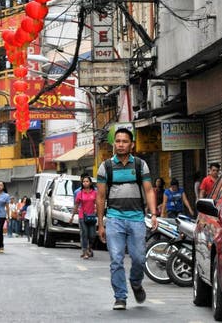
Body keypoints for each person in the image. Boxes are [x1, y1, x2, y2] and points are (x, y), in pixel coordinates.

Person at [96, 127, 158, 311]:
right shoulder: (105, 166)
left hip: (137, 219)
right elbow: (100, 197)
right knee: (116, 259)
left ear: (131, 144)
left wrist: (153, 214)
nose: (120, 145)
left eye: (124, 141)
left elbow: (148, 190)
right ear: (114, 144)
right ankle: (120, 297)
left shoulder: (140, 165)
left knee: (139, 258)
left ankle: (136, 283)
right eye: (118, 141)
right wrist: (101, 224)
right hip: (114, 218)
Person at [69, 174, 97, 259]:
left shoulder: (95, 192)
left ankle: (89, 248)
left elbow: (98, 203)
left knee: (92, 235)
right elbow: (76, 206)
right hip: (82, 216)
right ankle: (85, 252)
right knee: (84, 234)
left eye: (87, 181)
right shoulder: (79, 193)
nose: (85, 183)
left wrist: (98, 211)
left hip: (92, 216)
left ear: (90, 183)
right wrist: (72, 216)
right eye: (84, 181)